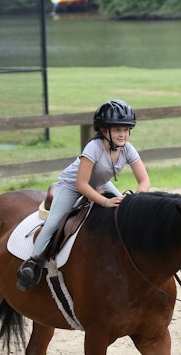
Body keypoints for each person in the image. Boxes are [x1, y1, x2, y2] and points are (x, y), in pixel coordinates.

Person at [16, 99, 150, 290]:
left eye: (126, 130)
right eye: (118, 129)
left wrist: (135, 199)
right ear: (104, 130)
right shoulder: (93, 147)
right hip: (71, 185)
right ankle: (32, 263)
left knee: (125, 211)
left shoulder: (128, 149)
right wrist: (105, 202)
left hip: (100, 182)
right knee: (54, 221)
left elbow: (144, 181)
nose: (123, 134)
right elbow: (81, 184)